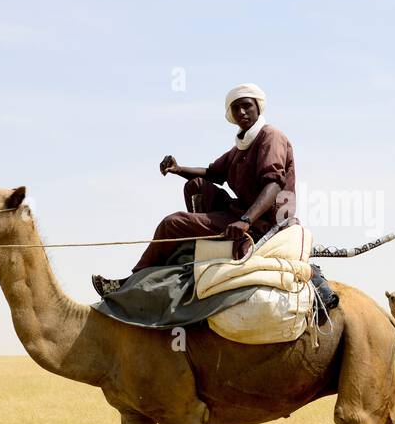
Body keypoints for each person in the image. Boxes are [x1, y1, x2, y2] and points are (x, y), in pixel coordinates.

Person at [92, 83, 296, 297]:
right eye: (236, 109)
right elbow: (212, 173)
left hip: (263, 222)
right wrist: (178, 169)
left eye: (247, 106)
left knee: (172, 223)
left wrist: (245, 220)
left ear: (258, 107)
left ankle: (132, 282)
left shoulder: (270, 137)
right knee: (195, 185)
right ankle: (199, 243)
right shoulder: (240, 148)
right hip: (241, 212)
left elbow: (273, 185)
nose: (242, 112)